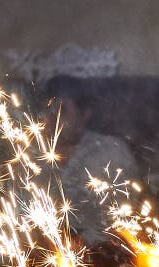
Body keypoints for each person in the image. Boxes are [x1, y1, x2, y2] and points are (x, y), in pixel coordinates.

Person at [44, 74, 139, 245]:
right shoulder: (30, 155)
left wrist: (80, 243)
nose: (53, 118)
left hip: (98, 254)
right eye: (49, 111)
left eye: (62, 111)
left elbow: (119, 218)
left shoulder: (110, 152)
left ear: (84, 114)